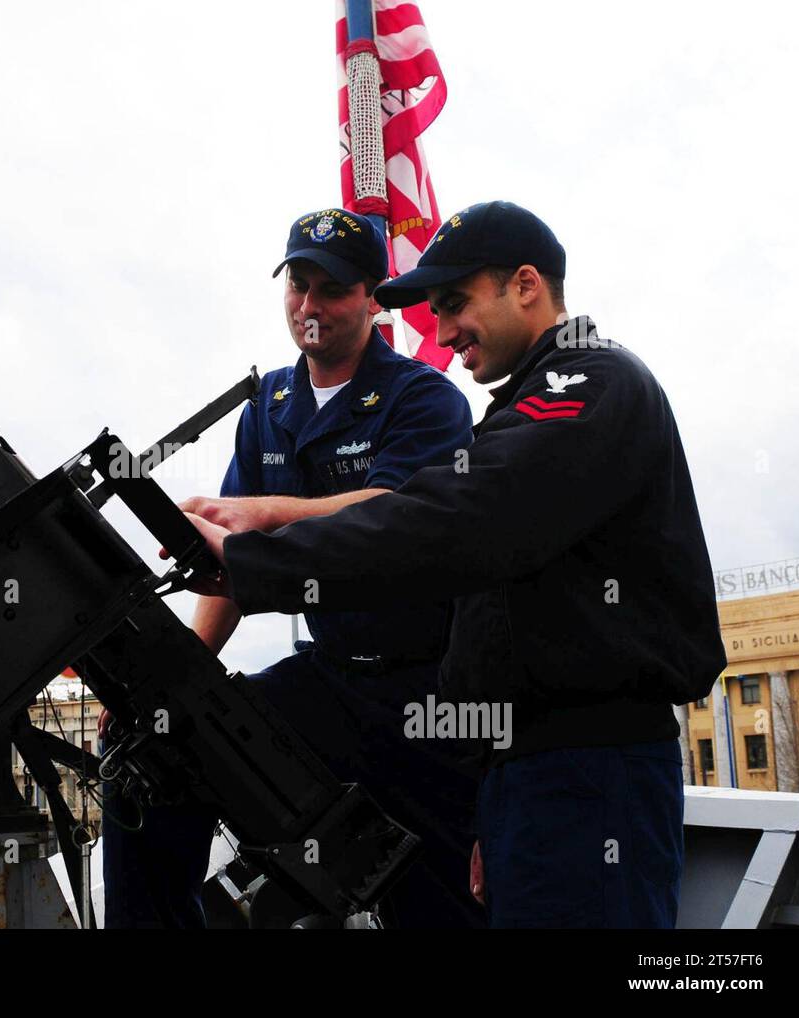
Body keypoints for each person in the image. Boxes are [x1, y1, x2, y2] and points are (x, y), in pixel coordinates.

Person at [180, 200, 727, 928]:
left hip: (594, 774)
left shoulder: (591, 384)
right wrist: (488, 807)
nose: (440, 334)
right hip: (517, 775)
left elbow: (450, 523)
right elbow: (484, 604)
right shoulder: (520, 410)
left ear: (526, 285)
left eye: (455, 305)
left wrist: (260, 555)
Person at [102, 207, 484, 928]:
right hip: (330, 678)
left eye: (332, 289)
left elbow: (397, 510)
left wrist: (265, 514)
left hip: (428, 691)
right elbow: (230, 570)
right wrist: (180, 673)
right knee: (157, 754)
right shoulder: (269, 406)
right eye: (297, 285)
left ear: (373, 297)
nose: (310, 305)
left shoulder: (425, 400)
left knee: (440, 905)